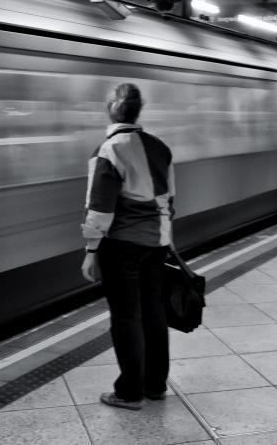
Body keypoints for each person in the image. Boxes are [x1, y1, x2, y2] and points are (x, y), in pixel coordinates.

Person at [80, 83, 175, 411]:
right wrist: (163, 237)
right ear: (139, 109)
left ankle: (130, 392)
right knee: (153, 312)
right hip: (156, 243)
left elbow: (100, 209)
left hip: (122, 246)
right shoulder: (159, 148)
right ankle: (155, 385)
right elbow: (168, 201)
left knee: (126, 317)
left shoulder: (108, 150)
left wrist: (91, 252)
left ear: (111, 108)